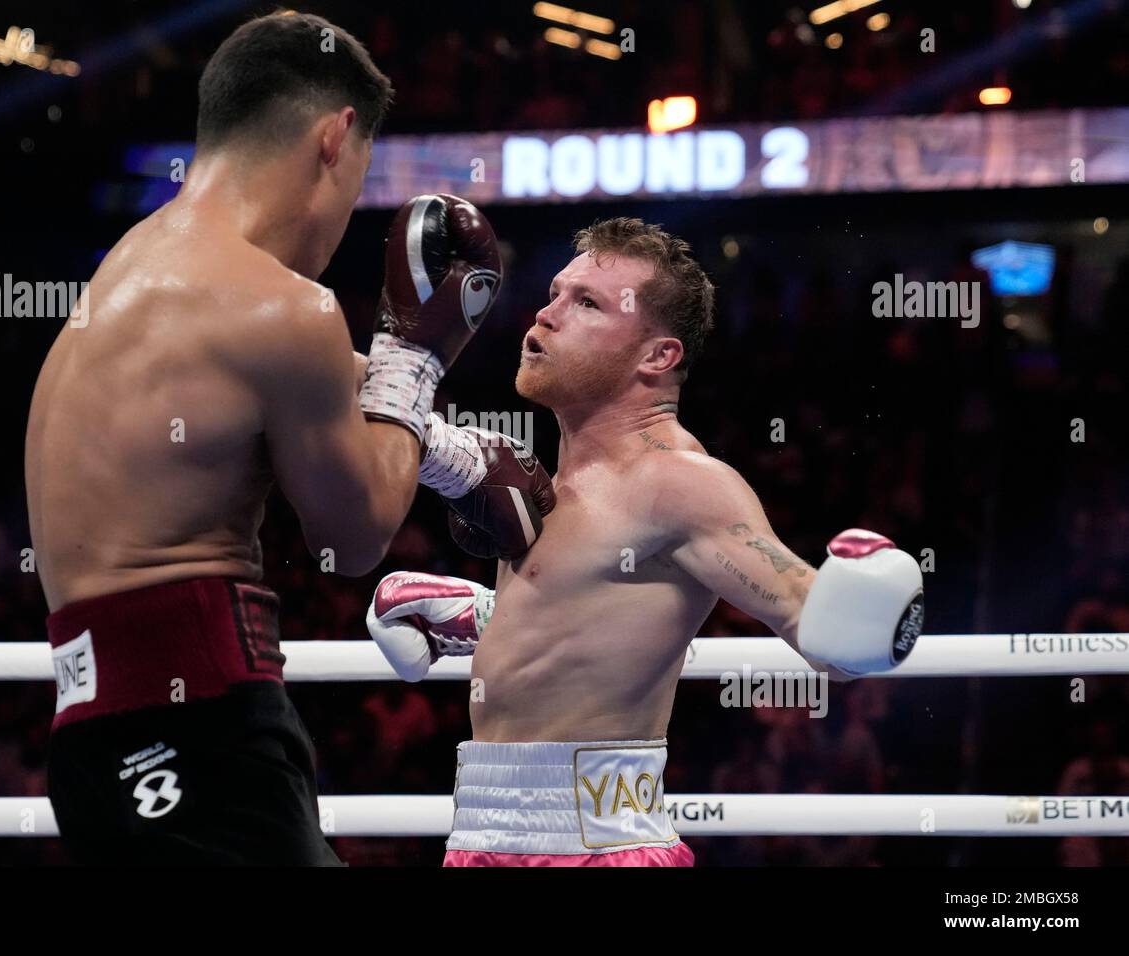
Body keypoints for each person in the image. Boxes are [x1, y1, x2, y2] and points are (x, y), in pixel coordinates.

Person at [25, 12, 549, 865]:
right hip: (191, 729)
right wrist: (414, 355)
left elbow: (339, 397)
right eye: (361, 181)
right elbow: (355, 536)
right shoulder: (281, 308)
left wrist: (455, 460)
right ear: (336, 139)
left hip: (102, 740)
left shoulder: (135, 269)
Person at [368, 218, 924, 866]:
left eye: (587, 303)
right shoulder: (545, 486)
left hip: (597, 848)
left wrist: (877, 594)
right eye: (554, 292)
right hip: (482, 837)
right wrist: (481, 619)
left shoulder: (678, 481)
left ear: (657, 356)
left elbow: (826, 633)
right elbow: (597, 621)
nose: (546, 315)